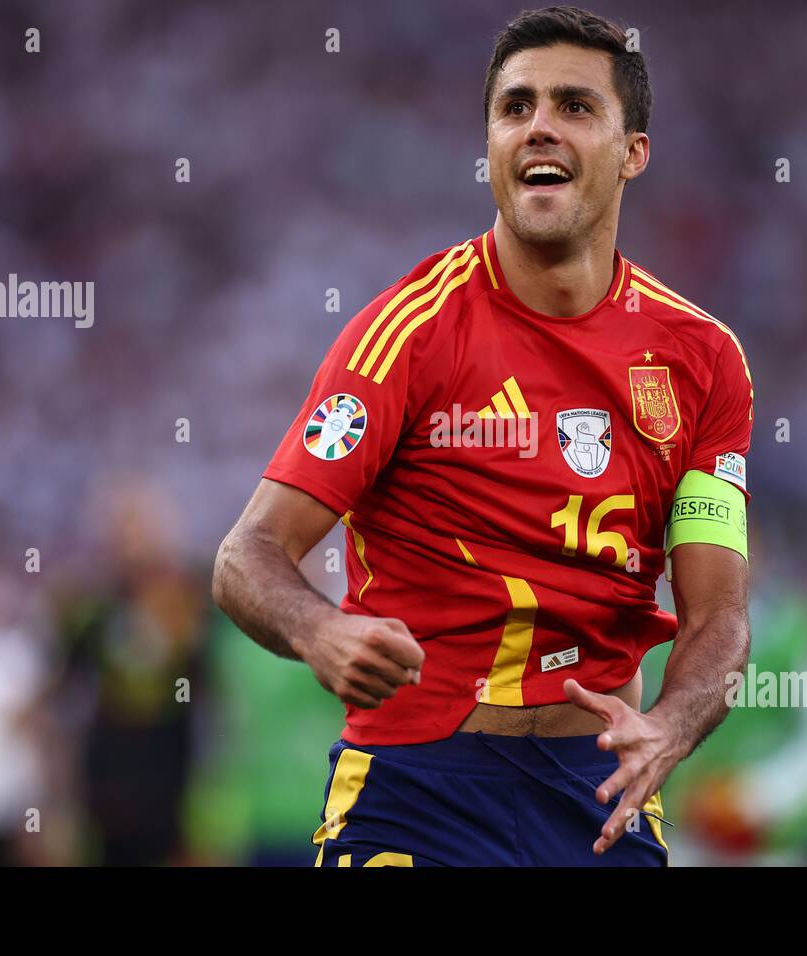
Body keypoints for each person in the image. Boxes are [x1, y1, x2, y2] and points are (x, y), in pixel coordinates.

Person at [213, 5, 754, 866]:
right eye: (516, 107)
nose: (539, 126)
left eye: (575, 106)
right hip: (417, 788)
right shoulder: (408, 333)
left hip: (599, 794)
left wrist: (672, 728)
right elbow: (246, 556)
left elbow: (717, 615)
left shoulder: (703, 359)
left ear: (633, 152)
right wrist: (320, 631)